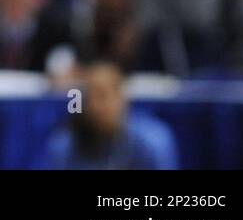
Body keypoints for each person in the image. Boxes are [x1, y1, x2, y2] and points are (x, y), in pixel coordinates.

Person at [39, 61, 179, 170]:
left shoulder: (152, 141)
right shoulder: (64, 145)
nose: (95, 105)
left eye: (102, 96)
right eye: (89, 97)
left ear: (122, 98)